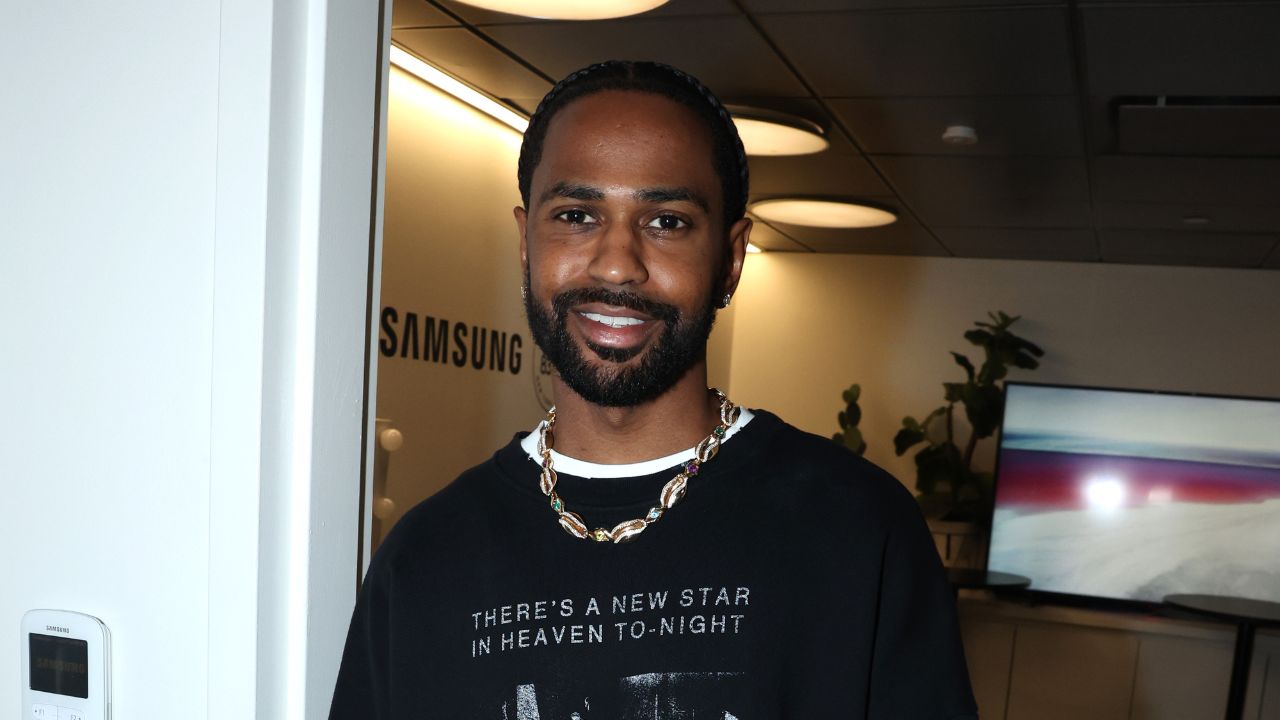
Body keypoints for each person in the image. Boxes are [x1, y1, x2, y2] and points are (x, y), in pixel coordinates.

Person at [329, 60, 978, 719]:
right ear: (526, 242)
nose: (617, 264)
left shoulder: (858, 528)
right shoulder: (425, 556)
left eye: (666, 221)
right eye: (577, 215)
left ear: (730, 259)